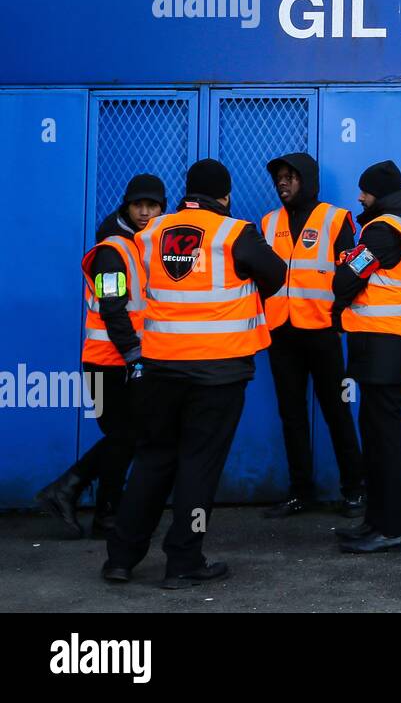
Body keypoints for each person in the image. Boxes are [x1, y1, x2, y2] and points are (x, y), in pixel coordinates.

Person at [103, 159, 286, 588]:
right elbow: (275, 274)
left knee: (151, 460)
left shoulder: (151, 233)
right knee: (198, 468)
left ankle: (121, 558)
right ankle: (184, 560)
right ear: (224, 196)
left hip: (161, 366)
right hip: (219, 373)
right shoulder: (234, 232)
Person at [36, 175, 165, 539]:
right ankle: (68, 490)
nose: (144, 211)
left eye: (152, 205)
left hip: (124, 360)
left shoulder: (143, 247)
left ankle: (103, 511)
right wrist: (135, 356)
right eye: (138, 204)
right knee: (125, 436)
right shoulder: (113, 251)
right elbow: (112, 308)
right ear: (126, 207)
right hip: (107, 361)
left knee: (126, 438)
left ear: (161, 208)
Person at [332, 160, 401, 554]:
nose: (359, 197)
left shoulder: (385, 229)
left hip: (385, 341)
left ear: (381, 194)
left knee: (383, 437)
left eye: (365, 191)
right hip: (391, 340)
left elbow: (347, 277)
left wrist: (345, 264)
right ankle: (376, 520)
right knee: (376, 432)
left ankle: (390, 528)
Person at [260, 153, 366, 520]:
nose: (283, 183)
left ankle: (355, 490)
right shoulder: (268, 222)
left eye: (291, 177)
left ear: (307, 179)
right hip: (281, 333)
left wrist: (338, 315)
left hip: (322, 332)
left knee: (337, 412)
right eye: (279, 178)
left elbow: (351, 272)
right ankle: (300, 492)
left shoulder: (336, 219)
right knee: (291, 415)